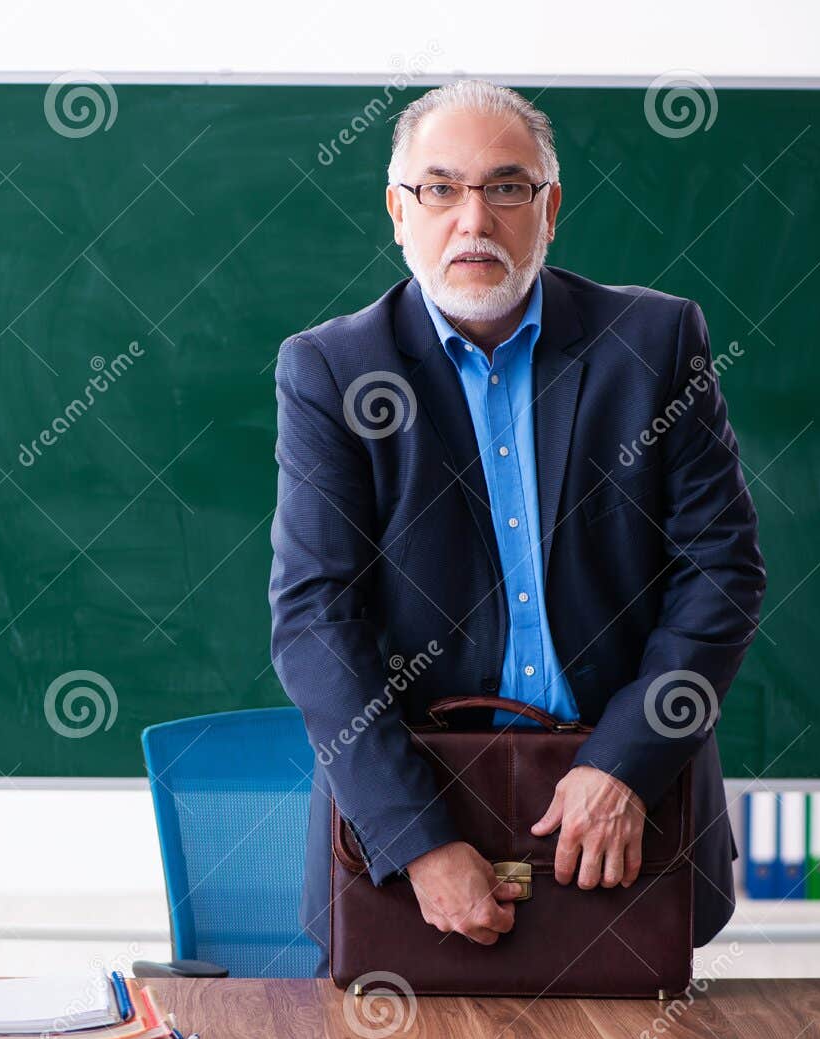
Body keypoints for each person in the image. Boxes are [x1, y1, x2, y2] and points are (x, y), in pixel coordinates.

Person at [268, 80, 766, 978]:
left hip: (625, 821)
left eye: (507, 187)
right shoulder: (332, 369)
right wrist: (419, 843)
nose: (474, 220)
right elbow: (314, 619)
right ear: (398, 210)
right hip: (413, 841)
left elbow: (720, 574)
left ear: (550, 208)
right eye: (441, 188)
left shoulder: (654, 343)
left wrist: (626, 766)